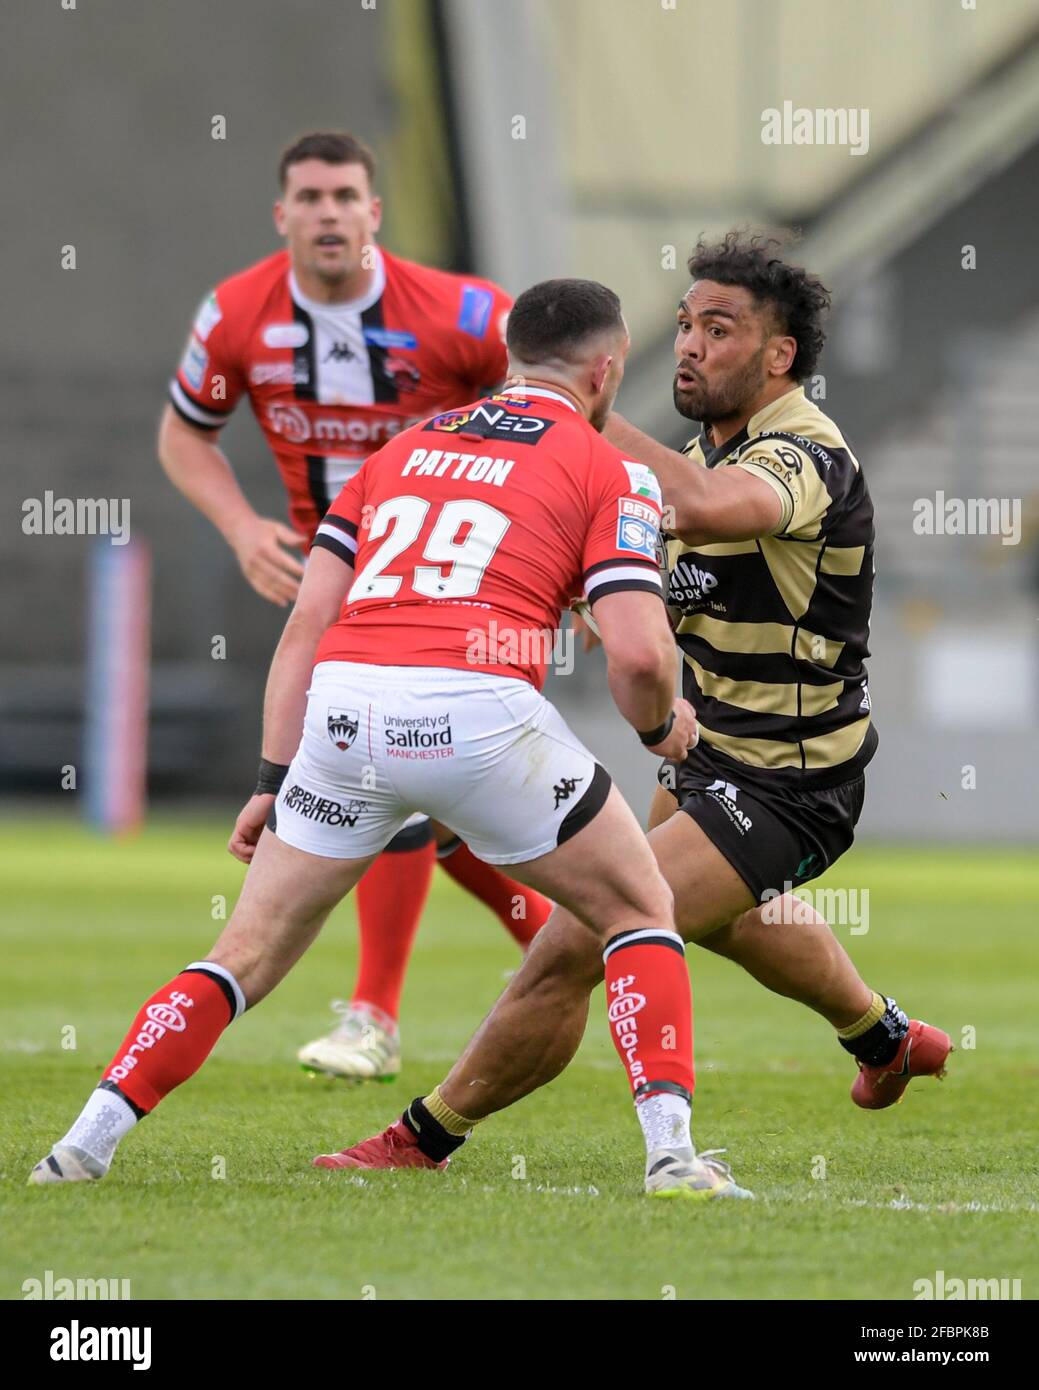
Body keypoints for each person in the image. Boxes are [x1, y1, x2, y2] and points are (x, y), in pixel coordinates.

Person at [31, 278, 749, 1201]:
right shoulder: (614, 470)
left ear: (507, 361)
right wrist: (662, 729)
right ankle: (672, 1158)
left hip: (342, 713)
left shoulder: (399, 448)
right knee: (639, 911)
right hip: (477, 715)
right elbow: (642, 655)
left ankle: (82, 1144)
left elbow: (306, 626)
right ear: (606, 372)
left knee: (240, 955)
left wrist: (270, 778)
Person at [326, 233, 949, 1179]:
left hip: (792, 776)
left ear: (779, 356)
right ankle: (883, 1039)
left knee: (583, 940)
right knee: (729, 914)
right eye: (686, 325)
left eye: (718, 329)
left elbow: (698, 502)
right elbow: (623, 589)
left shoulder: (803, 455)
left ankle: (421, 1139)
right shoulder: (702, 447)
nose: (691, 346)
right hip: (705, 754)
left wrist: (568, 402)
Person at [159, 130, 551, 1081]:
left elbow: (557, 429)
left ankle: (376, 1014)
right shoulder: (237, 314)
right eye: (310, 196)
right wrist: (244, 528)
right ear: (281, 215)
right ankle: (579, 948)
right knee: (438, 806)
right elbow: (184, 437)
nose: (328, 212)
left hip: (460, 584)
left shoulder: (463, 314)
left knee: (399, 771)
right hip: (340, 592)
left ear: (375, 212)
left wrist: (563, 569)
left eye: (345, 195)